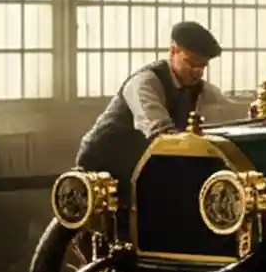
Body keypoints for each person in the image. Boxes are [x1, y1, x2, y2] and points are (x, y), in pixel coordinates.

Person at [75, 21, 242, 205]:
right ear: (173, 51)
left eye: (202, 66)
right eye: (191, 63)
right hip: (103, 164)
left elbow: (231, 110)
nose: (197, 72)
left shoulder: (198, 87)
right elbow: (162, 135)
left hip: (140, 167)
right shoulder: (145, 83)